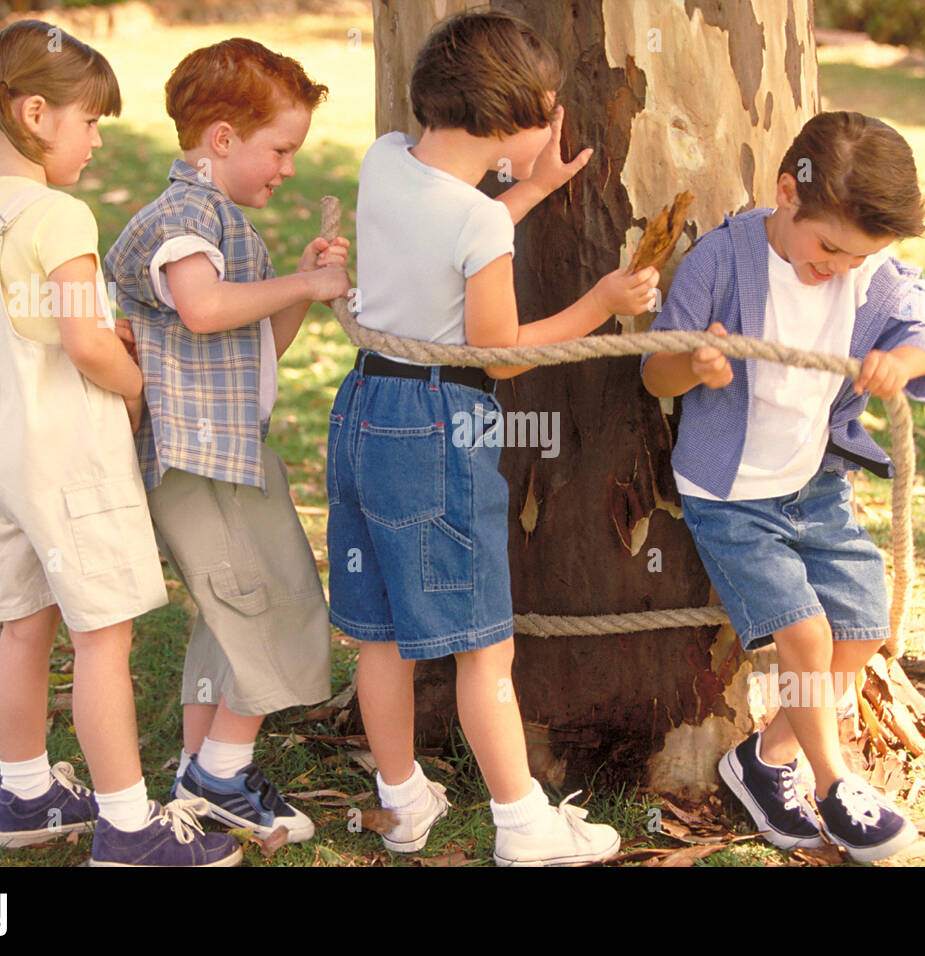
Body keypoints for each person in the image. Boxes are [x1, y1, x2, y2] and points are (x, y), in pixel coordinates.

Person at [327, 10, 658, 865]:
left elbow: (444, 226)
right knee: (486, 645)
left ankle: (402, 802)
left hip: (365, 408)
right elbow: (500, 354)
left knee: (382, 634)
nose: (554, 124)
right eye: (546, 110)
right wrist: (603, 306)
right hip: (438, 427)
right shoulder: (478, 226)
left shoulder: (385, 160)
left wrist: (531, 186)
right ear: (510, 117)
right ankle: (522, 823)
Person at [0, 19, 240, 866]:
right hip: (67, 458)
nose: (97, 139)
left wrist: (89, 331)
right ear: (35, 113)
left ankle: (28, 792)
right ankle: (126, 827)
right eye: (88, 122)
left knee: (22, 627)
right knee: (103, 638)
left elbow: (32, 322)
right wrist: (139, 380)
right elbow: (84, 346)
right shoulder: (59, 212)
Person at [641, 111, 925, 862]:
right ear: (788, 193)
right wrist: (696, 363)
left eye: (858, 257)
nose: (840, 267)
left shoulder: (867, 271)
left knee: (861, 628)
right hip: (732, 495)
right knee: (808, 637)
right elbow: (654, 369)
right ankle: (834, 782)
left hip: (814, 484)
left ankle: (765, 757)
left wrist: (901, 364)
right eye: (829, 249)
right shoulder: (723, 261)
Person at [104, 38, 349, 847]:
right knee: (272, 603)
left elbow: (250, 345)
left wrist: (299, 289)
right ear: (220, 138)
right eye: (279, 149)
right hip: (198, 457)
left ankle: (201, 768)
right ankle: (219, 776)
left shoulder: (218, 221)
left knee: (228, 614)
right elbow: (206, 310)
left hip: (226, 449)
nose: (286, 168)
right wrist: (310, 282)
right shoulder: (182, 219)